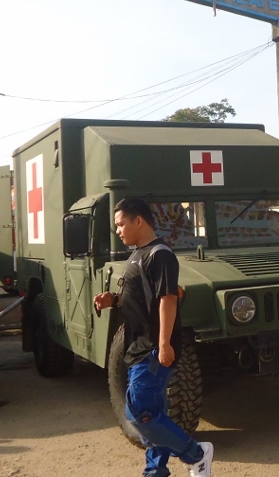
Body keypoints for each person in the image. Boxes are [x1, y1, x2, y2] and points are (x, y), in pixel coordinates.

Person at [93, 198, 213, 477]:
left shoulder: (160, 254)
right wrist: (114, 299)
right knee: (155, 414)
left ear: (139, 221)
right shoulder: (138, 254)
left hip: (152, 348)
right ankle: (155, 471)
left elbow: (168, 299)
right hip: (138, 346)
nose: (118, 230)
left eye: (121, 224)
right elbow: (140, 298)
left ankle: (196, 454)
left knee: (138, 414)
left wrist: (163, 344)